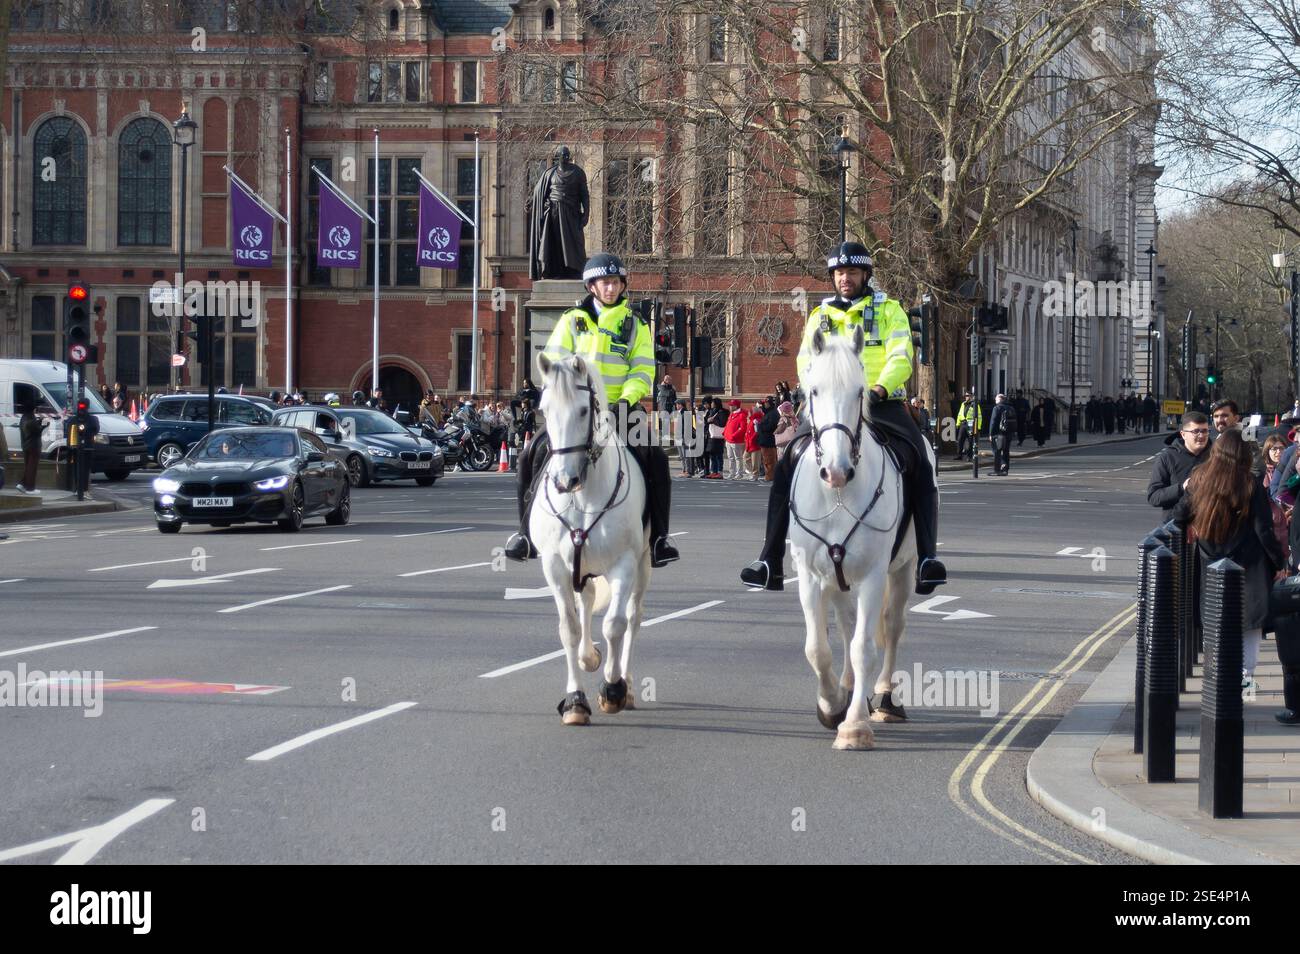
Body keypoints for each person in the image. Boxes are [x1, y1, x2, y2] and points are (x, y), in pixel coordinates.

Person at [740, 241, 946, 594]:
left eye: (851, 272)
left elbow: (901, 354)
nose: (845, 278)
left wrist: (879, 388)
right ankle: (769, 558)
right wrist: (818, 392)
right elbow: (805, 360)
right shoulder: (821, 316)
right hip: (831, 408)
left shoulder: (888, 309)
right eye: (839, 273)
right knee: (788, 463)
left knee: (920, 458)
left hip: (881, 403)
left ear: (865, 275)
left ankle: (926, 559)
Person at [503, 252, 679, 567]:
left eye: (615, 282)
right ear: (592, 286)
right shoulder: (572, 320)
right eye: (604, 282)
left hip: (620, 407)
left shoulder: (636, 324)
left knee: (655, 459)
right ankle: (524, 534)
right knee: (531, 454)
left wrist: (625, 400)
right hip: (575, 409)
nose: (611, 288)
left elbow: (642, 370)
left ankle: (660, 539)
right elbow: (555, 359)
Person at [1174, 430, 1284, 693]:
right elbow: (1263, 529)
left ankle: (1218, 687)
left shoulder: (1200, 478)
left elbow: (1179, 514)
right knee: (1250, 628)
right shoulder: (1249, 483)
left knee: (1216, 624)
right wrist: (1279, 562)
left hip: (1210, 563)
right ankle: (1245, 690)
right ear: (1243, 455)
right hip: (1249, 566)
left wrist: (1190, 525)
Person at [1147, 411, 1211, 519]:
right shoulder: (1167, 457)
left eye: (1205, 431)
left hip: (1208, 526)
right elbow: (1154, 497)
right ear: (1183, 434)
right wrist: (1182, 488)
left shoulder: (1216, 456)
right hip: (1177, 527)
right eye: (1196, 431)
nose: (1201, 435)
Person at [16, 399, 47, 495]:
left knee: (28, 466)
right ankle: (30, 488)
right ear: (32, 409)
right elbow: (36, 431)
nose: (36, 410)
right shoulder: (30, 418)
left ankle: (22, 484)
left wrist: (39, 422)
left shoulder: (24, 418)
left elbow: (31, 428)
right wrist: (44, 426)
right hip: (33, 446)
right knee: (32, 468)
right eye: (35, 409)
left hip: (26, 445)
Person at [989, 393, 1015, 476]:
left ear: (1000, 399)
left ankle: (998, 469)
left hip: (998, 433)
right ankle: (1005, 470)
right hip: (1009, 433)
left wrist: (991, 434)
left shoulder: (997, 408)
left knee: (996, 451)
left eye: (996, 398)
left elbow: (993, 422)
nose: (995, 400)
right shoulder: (1011, 408)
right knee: (1006, 451)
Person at [704, 397, 728, 478]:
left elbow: (722, 423)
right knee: (712, 454)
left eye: (712, 403)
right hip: (711, 435)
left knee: (719, 455)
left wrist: (712, 420)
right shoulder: (712, 411)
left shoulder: (722, 412)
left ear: (716, 403)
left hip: (718, 437)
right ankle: (713, 471)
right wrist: (707, 420)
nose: (711, 404)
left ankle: (719, 472)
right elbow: (707, 421)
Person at [723, 399, 747, 478]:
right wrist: (725, 432)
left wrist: (734, 435)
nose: (729, 407)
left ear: (735, 406)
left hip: (736, 440)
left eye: (731, 405)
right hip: (728, 439)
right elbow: (728, 424)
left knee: (738, 458)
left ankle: (739, 473)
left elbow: (742, 428)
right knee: (730, 457)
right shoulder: (732, 414)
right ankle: (732, 473)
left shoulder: (741, 415)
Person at [955, 391, 980, 460]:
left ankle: (969, 456)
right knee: (960, 439)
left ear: (971, 396)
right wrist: (957, 424)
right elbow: (959, 414)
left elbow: (979, 416)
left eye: (967, 395)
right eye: (965, 396)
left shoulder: (975, 405)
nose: (966, 397)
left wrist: (978, 427)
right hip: (963, 424)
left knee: (970, 441)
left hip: (971, 424)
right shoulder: (963, 404)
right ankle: (959, 455)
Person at [744, 402, 763, 480]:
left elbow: (757, 432)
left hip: (755, 443)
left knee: (755, 461)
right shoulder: (751, 420)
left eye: (750, 412)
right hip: (749, 443)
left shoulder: (756, 421)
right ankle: (751, 472)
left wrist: (752, 439)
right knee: (745, 458)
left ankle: (755, 475)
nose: (748, 414)